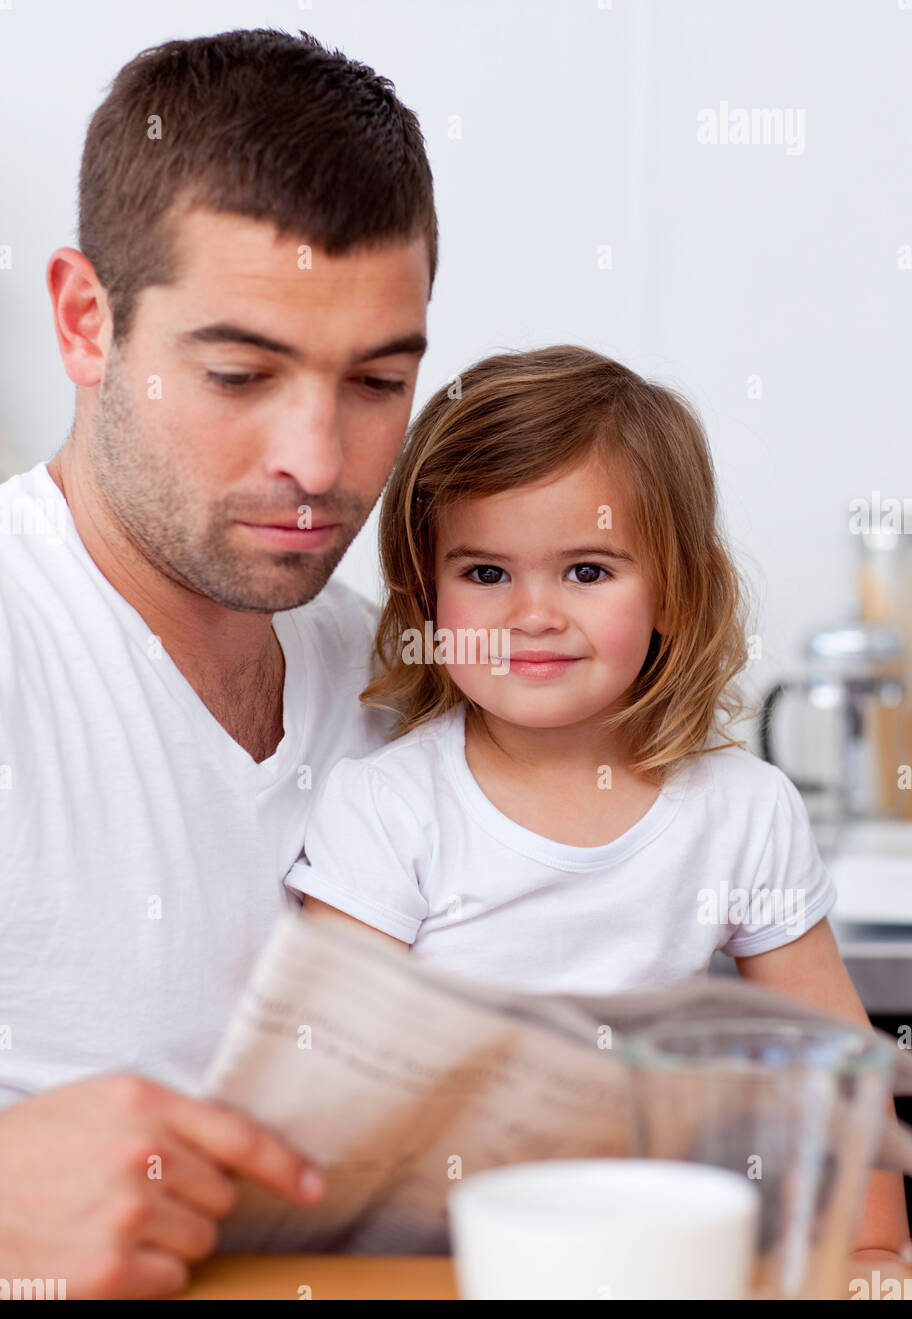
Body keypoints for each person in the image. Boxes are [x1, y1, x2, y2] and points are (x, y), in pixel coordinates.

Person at [286, 344, 911, 1262]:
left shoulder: (743, 810)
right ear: (427, 594)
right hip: (440, 1254)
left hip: (658, 1251)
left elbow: (833, 1070)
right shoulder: (386, 808)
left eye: (586, 570)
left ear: (675, 590)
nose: (533, 616)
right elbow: (325, 1082)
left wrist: (874, 1260)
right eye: (487, 573)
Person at [0, 28, 436, 1297]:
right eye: (242, 372)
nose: (318, 459)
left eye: (376, 380)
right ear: (87, 321)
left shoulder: (405, 684)